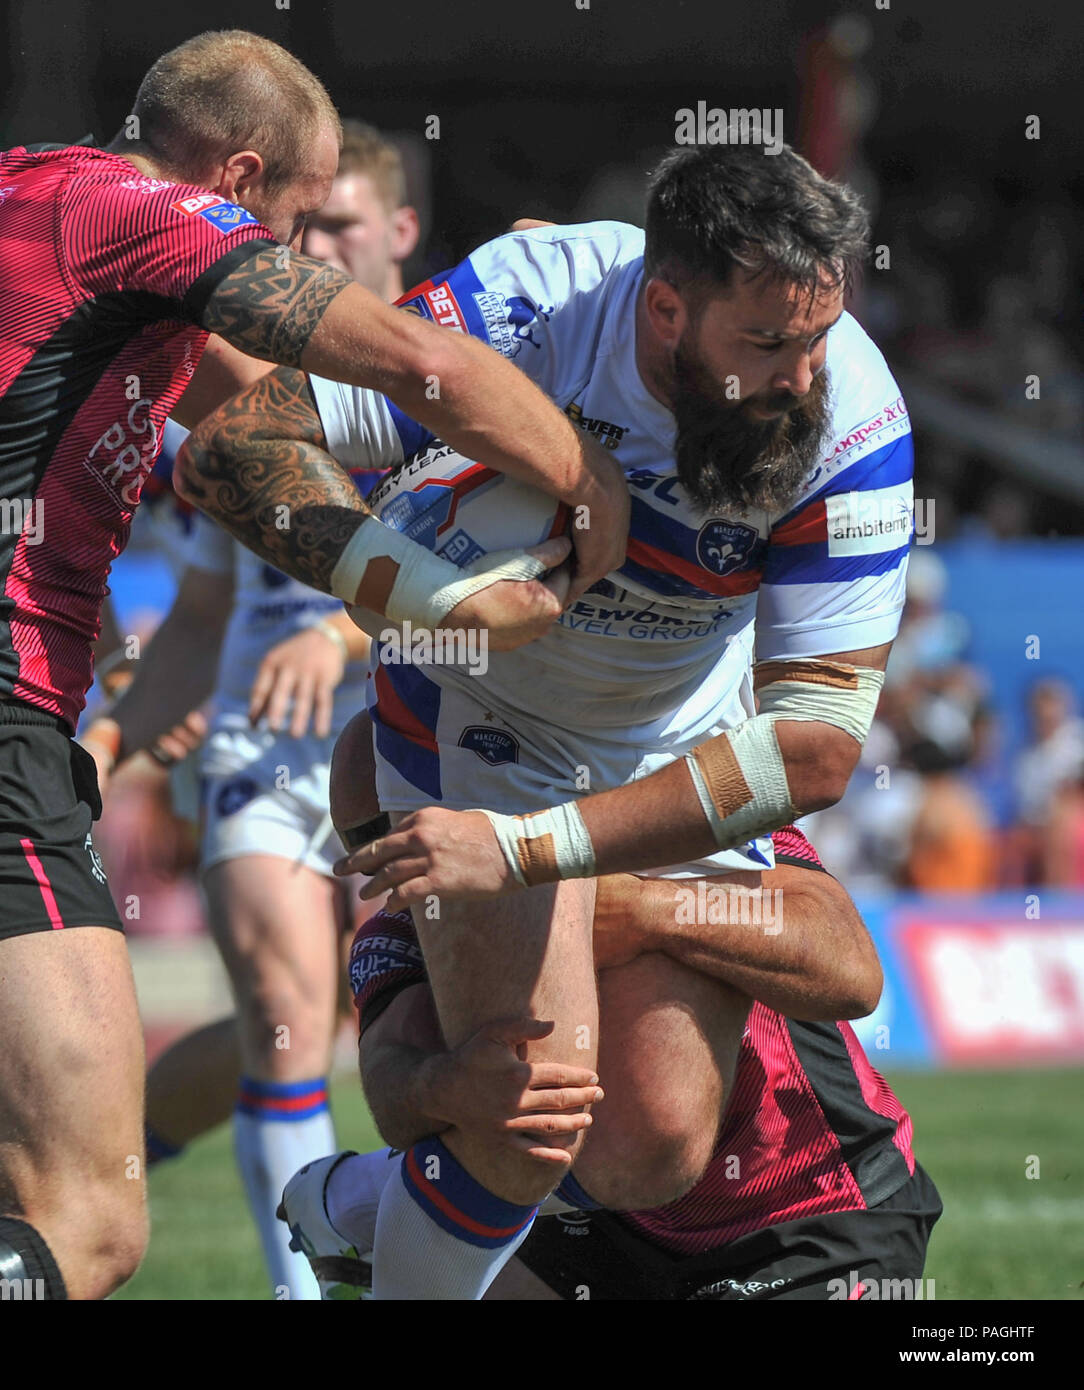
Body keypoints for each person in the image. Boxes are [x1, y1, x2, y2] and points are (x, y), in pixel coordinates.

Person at [0, 30, 626, 1301]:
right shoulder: (145, 217)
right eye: (288, 222)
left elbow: (245, 448)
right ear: (233, 181)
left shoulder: (14, 187)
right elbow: (420, 362)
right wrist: (589, 479)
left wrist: (424, 597)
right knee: (90, 1223)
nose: (288, 255)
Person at [212, 143, 914, 1297]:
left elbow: (815, 747)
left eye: (819, 336)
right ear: (665, 306)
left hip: (667, 741)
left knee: (649, 1146)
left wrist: (531, 854)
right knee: (527, 1114)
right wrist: (424, 596)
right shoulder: (530, 307)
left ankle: (357, 1204)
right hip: (476, 720)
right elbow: (241, 446)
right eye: (766, 345)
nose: (803, 376)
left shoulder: (852, 427)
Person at [85, 120, 422, 1299]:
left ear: (401, 233)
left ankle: (114, 1143)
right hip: (262, 745)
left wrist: (345, 628)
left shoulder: (458, 377)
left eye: (340, 223)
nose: (315, 242)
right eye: (303, 224)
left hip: (423, 739)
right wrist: (115, 737)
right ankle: (307, 1290)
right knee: (285, 1013)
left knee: (362, 1029)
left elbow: (526, 582)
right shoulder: (247, 389)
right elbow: (202, 599)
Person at [286, 823, 940, 1301]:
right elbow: (388, 1079)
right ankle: (382, 1209)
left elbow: (853, 972)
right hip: (596, 1229)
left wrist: (649, 910)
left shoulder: (680, 815)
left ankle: (373, 1197)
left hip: (810, 1213)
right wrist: (439, 1086)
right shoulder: (400, 928)